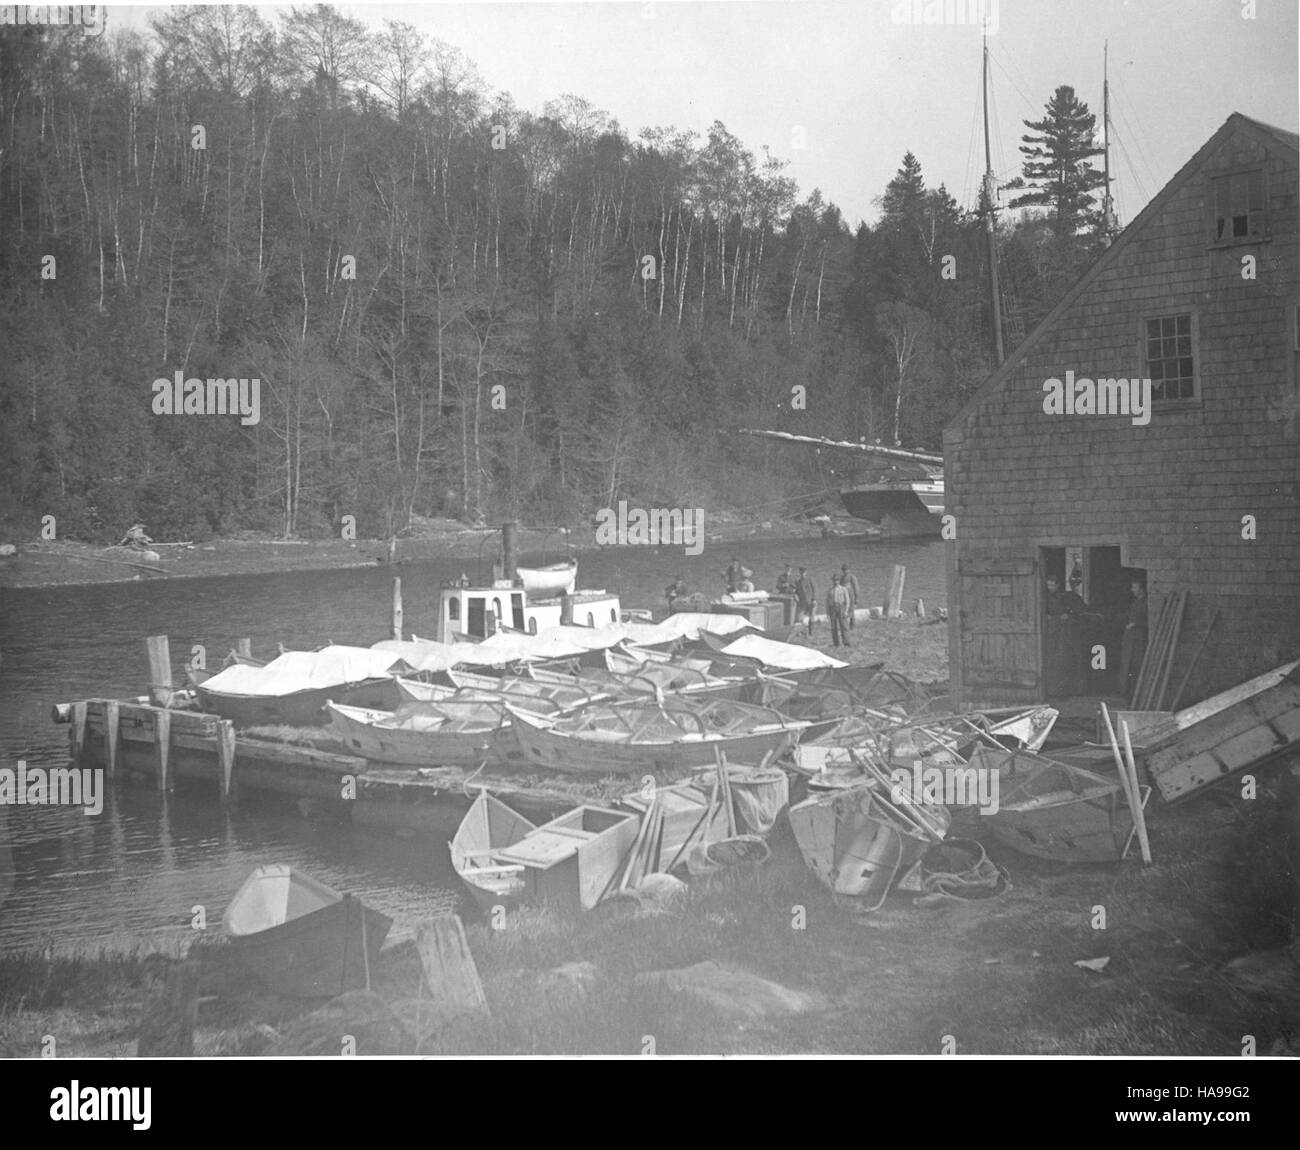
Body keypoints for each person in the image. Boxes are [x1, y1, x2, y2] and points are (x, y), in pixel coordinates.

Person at [1043, 574, 1088, 697]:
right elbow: (1043, 611)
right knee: (1054, 660)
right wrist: (1047, 616)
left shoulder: (1068, 596)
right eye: (1048, 585)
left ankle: (1071, 690)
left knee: (1069, 659)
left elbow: (1081, 609)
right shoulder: (1045, 597)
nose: (1050, 587)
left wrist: (1069, 614)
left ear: (1058, 585)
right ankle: (1055, 691)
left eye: (1052, 585)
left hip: (1068, 632)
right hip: (1053, 633)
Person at [1119, 579, 1149, 703]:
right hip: (1130, 638)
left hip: (1139, 638)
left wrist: (1136, 624)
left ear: (1141, 589)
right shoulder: (1135, 602)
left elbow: (1149, 620)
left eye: (1135, 588)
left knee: (1137, 664)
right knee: (1128, 665)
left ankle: (1136, 694)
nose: (1132, 590)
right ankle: (1128, 693)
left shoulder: (1146, 603)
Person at [827, 574, 852, 648]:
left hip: (841, 607)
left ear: (839, 581)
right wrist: (827, 612)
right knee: (833, 626)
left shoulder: (843, 589)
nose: (836, 582)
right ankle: (836, 643)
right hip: (833, 608)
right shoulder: (830, 590)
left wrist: (846, 610)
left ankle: (846, 642)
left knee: (843, 625)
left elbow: (847, 600)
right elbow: (827, 601)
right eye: (834, 580)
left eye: (837, 580)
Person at [795, 566, 816, 634]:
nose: (802, 574)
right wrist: (796, 597)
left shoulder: (810, 580)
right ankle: (803, 631)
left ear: (806, 573)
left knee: (811, 617)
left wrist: (814, 599)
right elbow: (796, 591)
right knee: (799, 618)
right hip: (803, 602)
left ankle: (811, 632)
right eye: (801, 572)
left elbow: (814, 590)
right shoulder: (798, 582)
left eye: (803, 572)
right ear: (799, 573)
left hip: (811, 601)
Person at [840, 563, 860, 627]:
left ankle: (852, 624)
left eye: (846, 570)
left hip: (850, 595)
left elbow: (856, 587)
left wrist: (857, 597)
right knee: (844, 609)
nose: (845, 571)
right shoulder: (841, 578)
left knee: (851, 609)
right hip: (843, 596)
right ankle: (845, 623)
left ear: (849, 570)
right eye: (843, 570)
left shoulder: (852, 577)